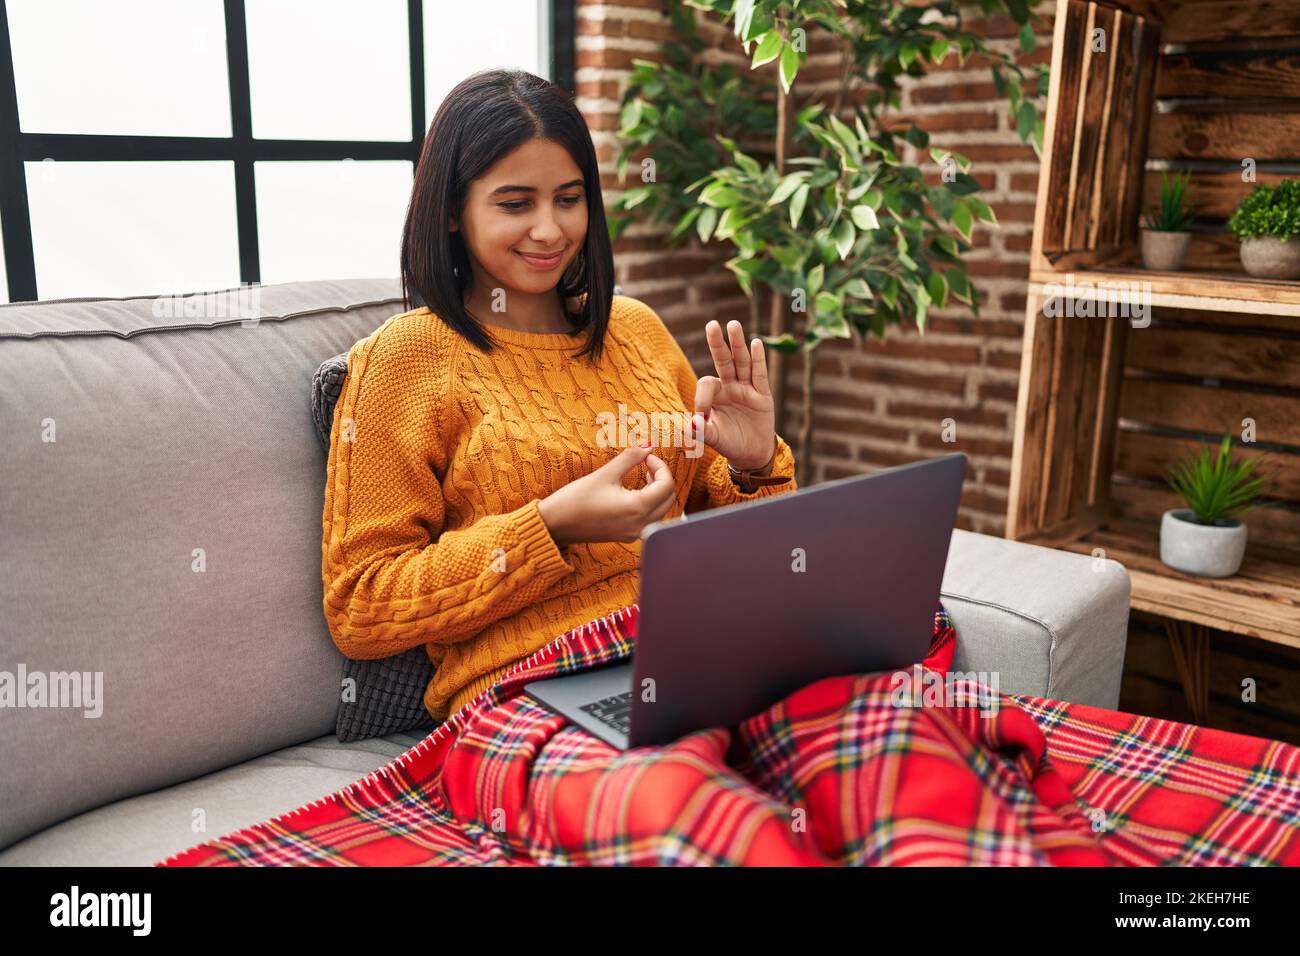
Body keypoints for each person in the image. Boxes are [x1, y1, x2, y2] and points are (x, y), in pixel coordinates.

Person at [320, 68, 797, 725]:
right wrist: (549, 528)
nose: (549, 230)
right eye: (515, 204)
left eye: (568, 199)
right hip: (532, 697)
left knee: (892, 743)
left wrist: (751, 465)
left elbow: (748, 546)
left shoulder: (636, 330)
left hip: (696, 648)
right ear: (454, 211)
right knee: (690, 803)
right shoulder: (405, 360)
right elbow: (362, 605)